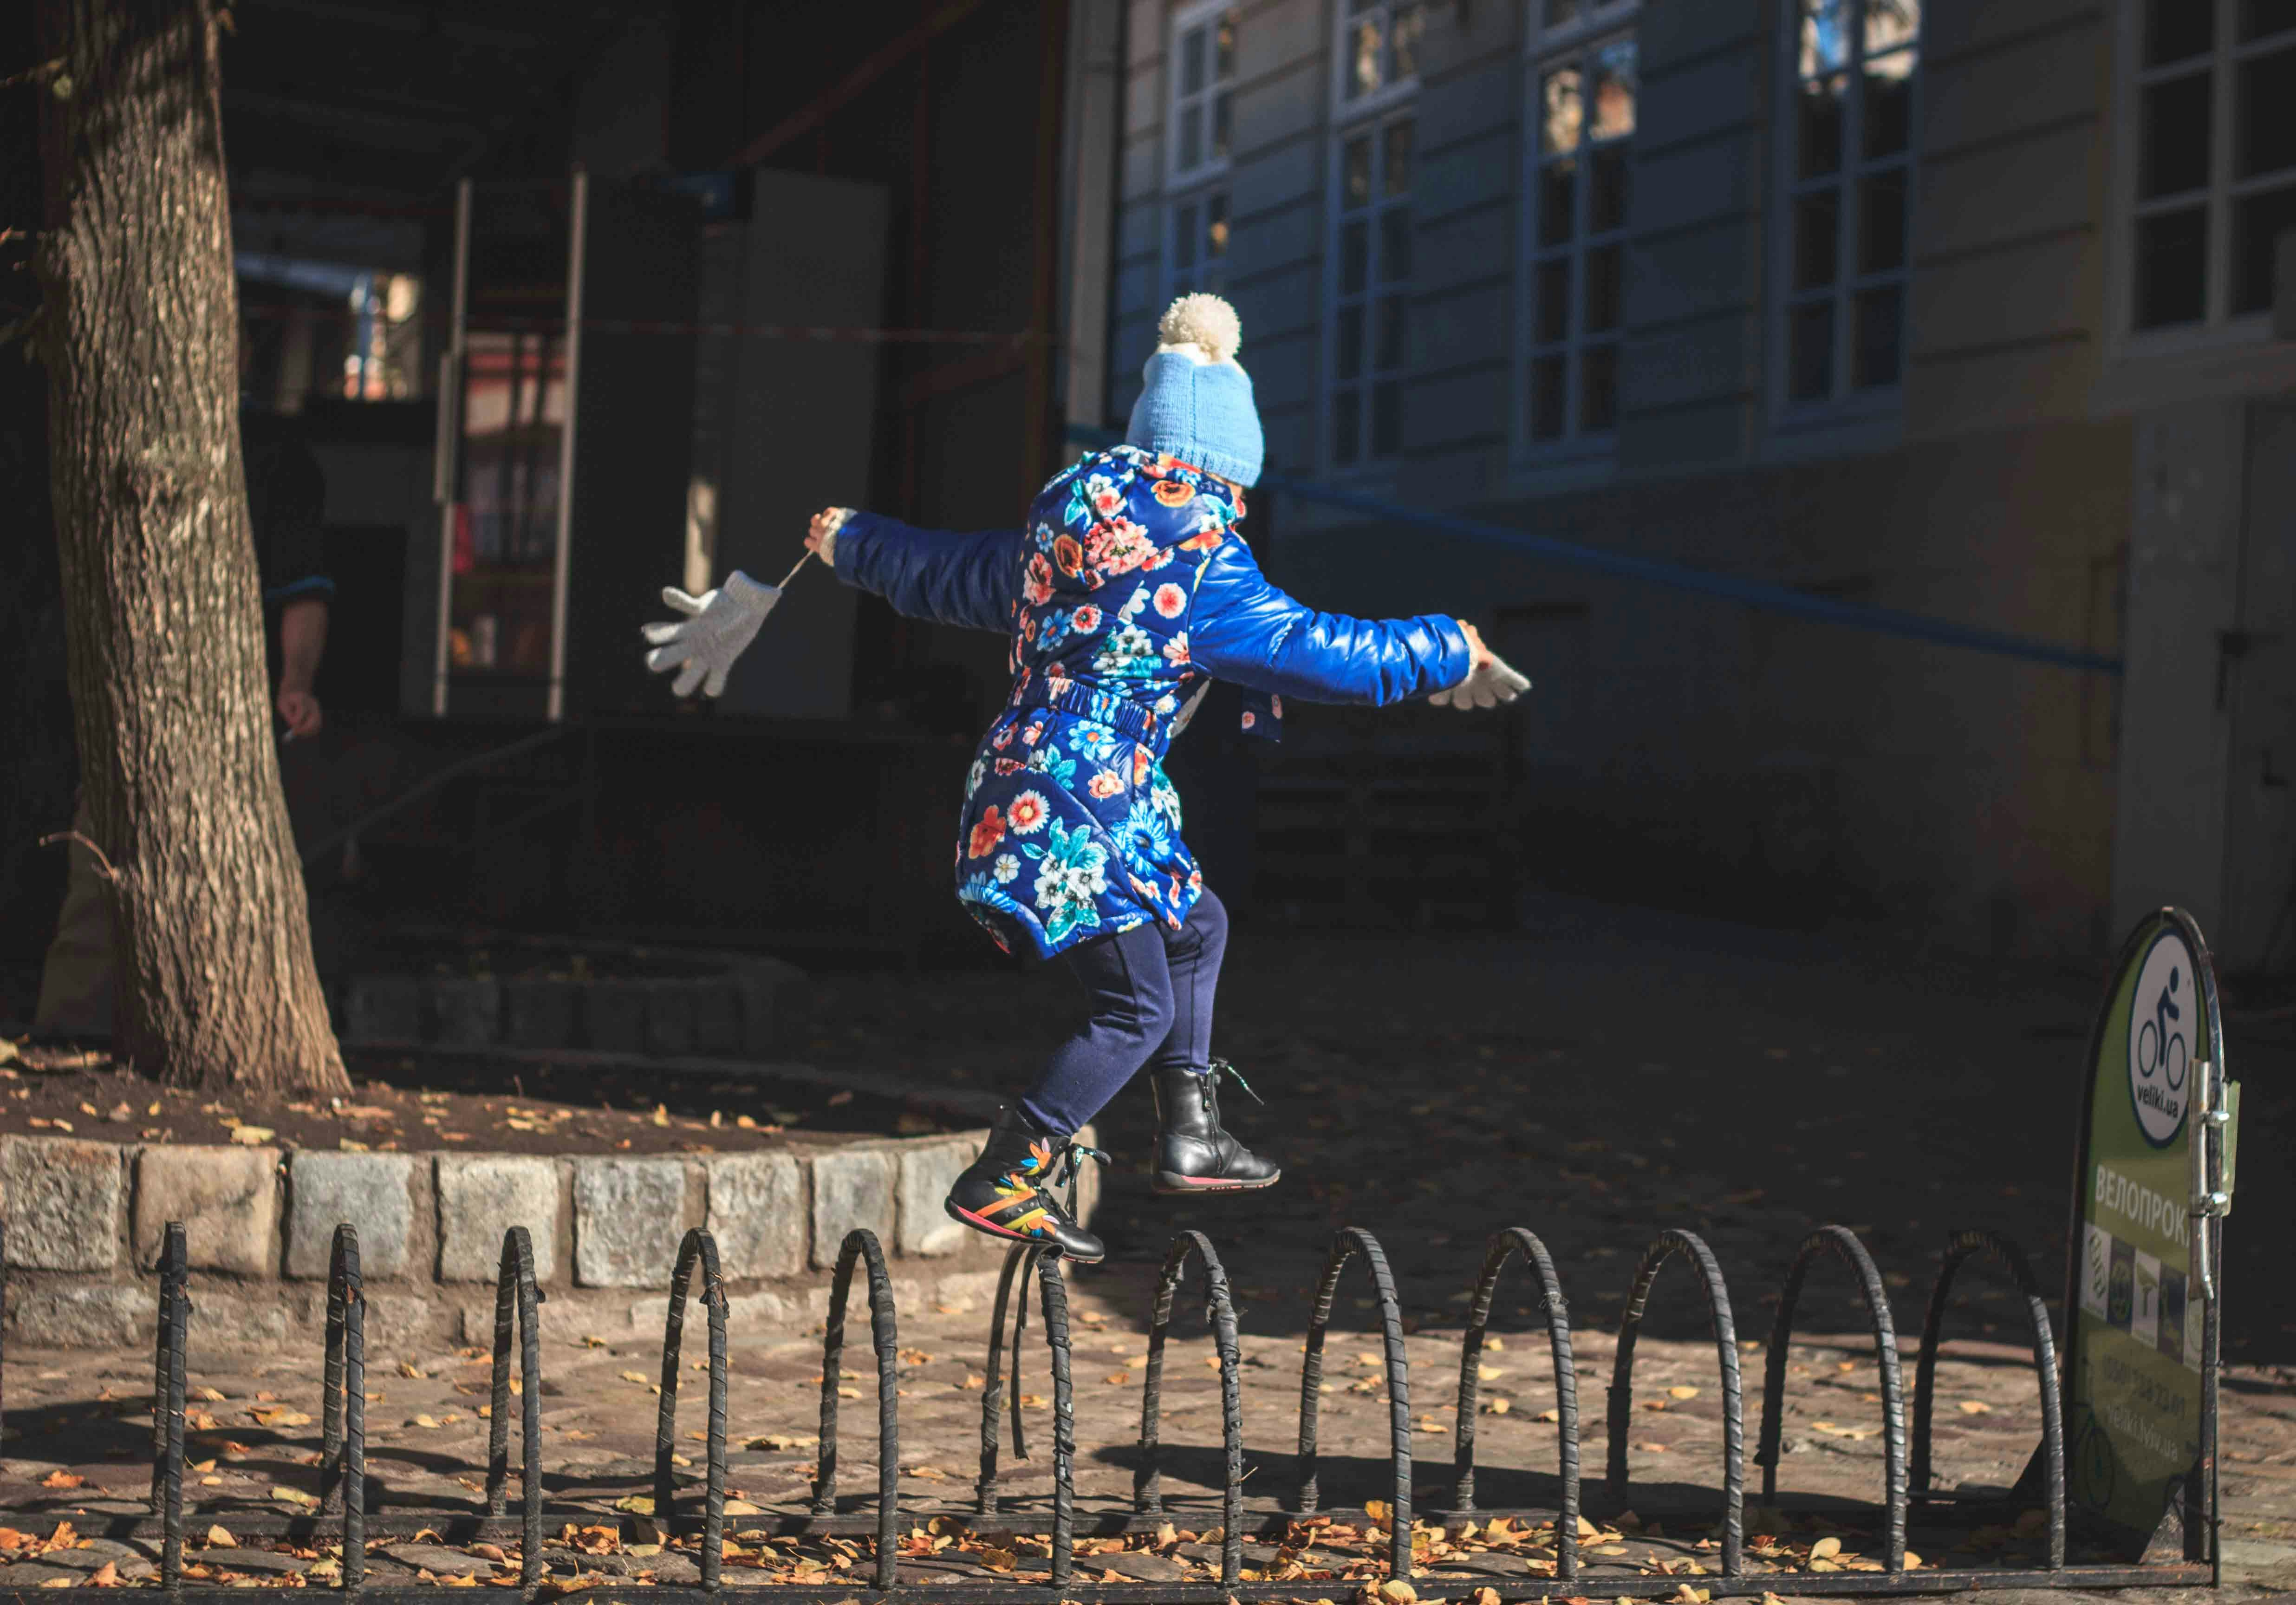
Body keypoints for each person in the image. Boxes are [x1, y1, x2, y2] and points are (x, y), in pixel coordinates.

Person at [640, 294, 1528, 1261]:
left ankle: (1189, 1130)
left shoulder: (1059, 542)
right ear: (1219, 474)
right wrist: (1449, 644)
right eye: (1233, 489)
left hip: (1045, 790)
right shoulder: (1203, 567)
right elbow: (1324, 653)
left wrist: (853, 544)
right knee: (1135, 1005)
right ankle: (1008, 1173)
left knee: (1196, 926)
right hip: (1080, 803)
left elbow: (942, 572)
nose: (1234, 508)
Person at [32, 410, 332, 1039]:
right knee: (100, 861)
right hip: (100, 688)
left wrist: (295, 685)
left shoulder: (272, 455)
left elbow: (303, 587)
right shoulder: (92, 431)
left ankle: (145, 1030)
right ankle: (75, 1028)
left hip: (217, 705)